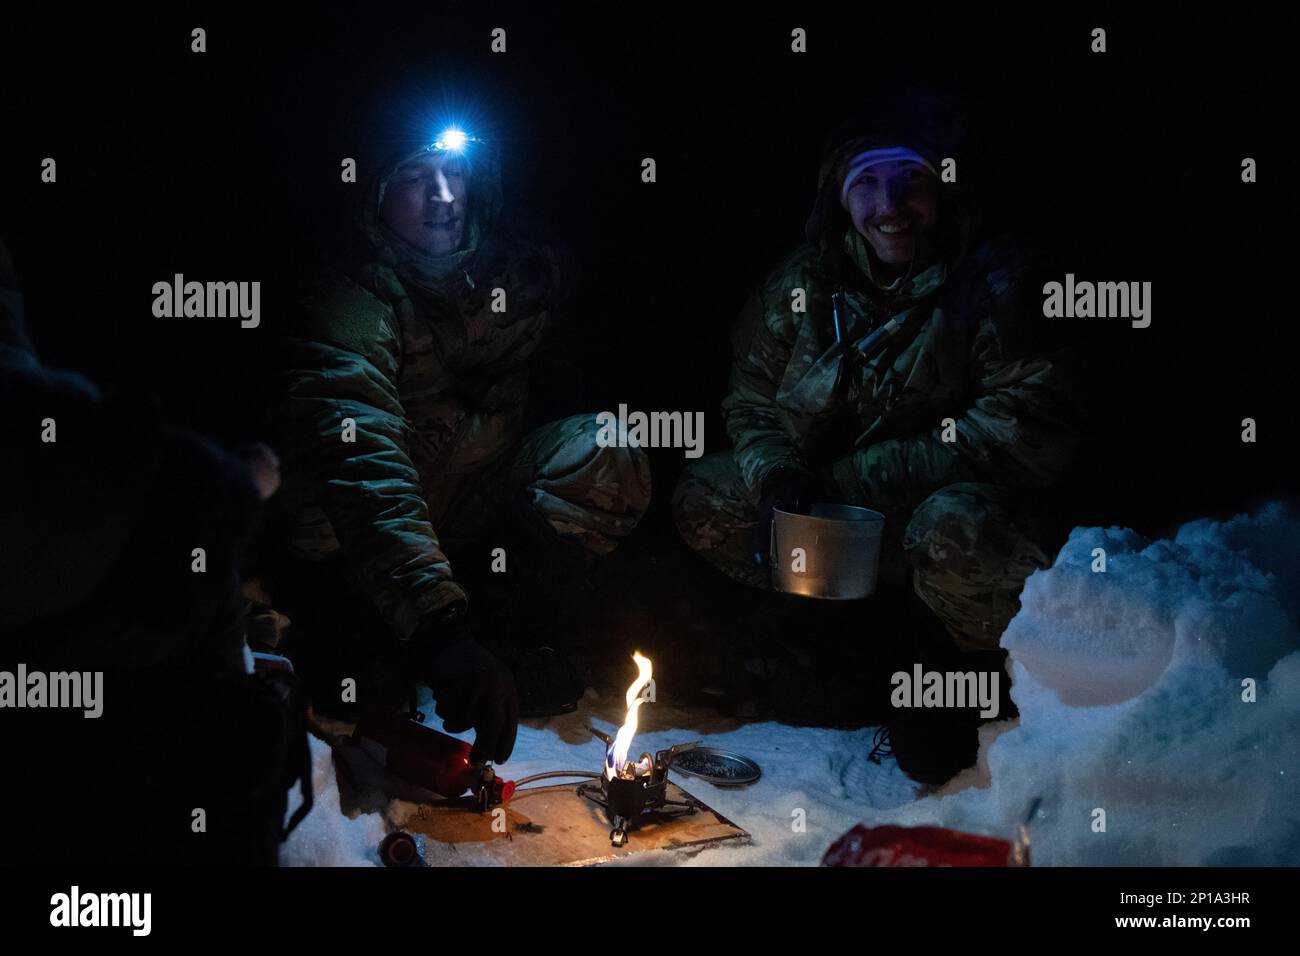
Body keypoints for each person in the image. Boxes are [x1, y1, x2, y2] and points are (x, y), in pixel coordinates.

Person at [671, 89, 1082, 781]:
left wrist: (840, 485)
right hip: (846, 527)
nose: (888, 205)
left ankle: (983, 682)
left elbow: (1018, 432)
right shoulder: (805, 281)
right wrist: (777, 479)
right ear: (839, 197)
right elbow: (751, 399)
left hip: (950, 516)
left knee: (956, 532)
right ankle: (836, 649)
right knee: (706, 495)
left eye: (909, 179)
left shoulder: (1001, 278)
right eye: (866, 182)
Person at [275, 120, 651, 764]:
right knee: (353, 666)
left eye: (454, 174)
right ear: (373, 194)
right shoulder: (347, 298)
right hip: (355, 541)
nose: (443, 196)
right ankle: (377, 633)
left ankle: (504, 635)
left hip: (473, 507)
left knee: (605, 446)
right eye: (414, 179)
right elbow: (361, 455)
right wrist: (438, 630)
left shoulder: (521, 275)